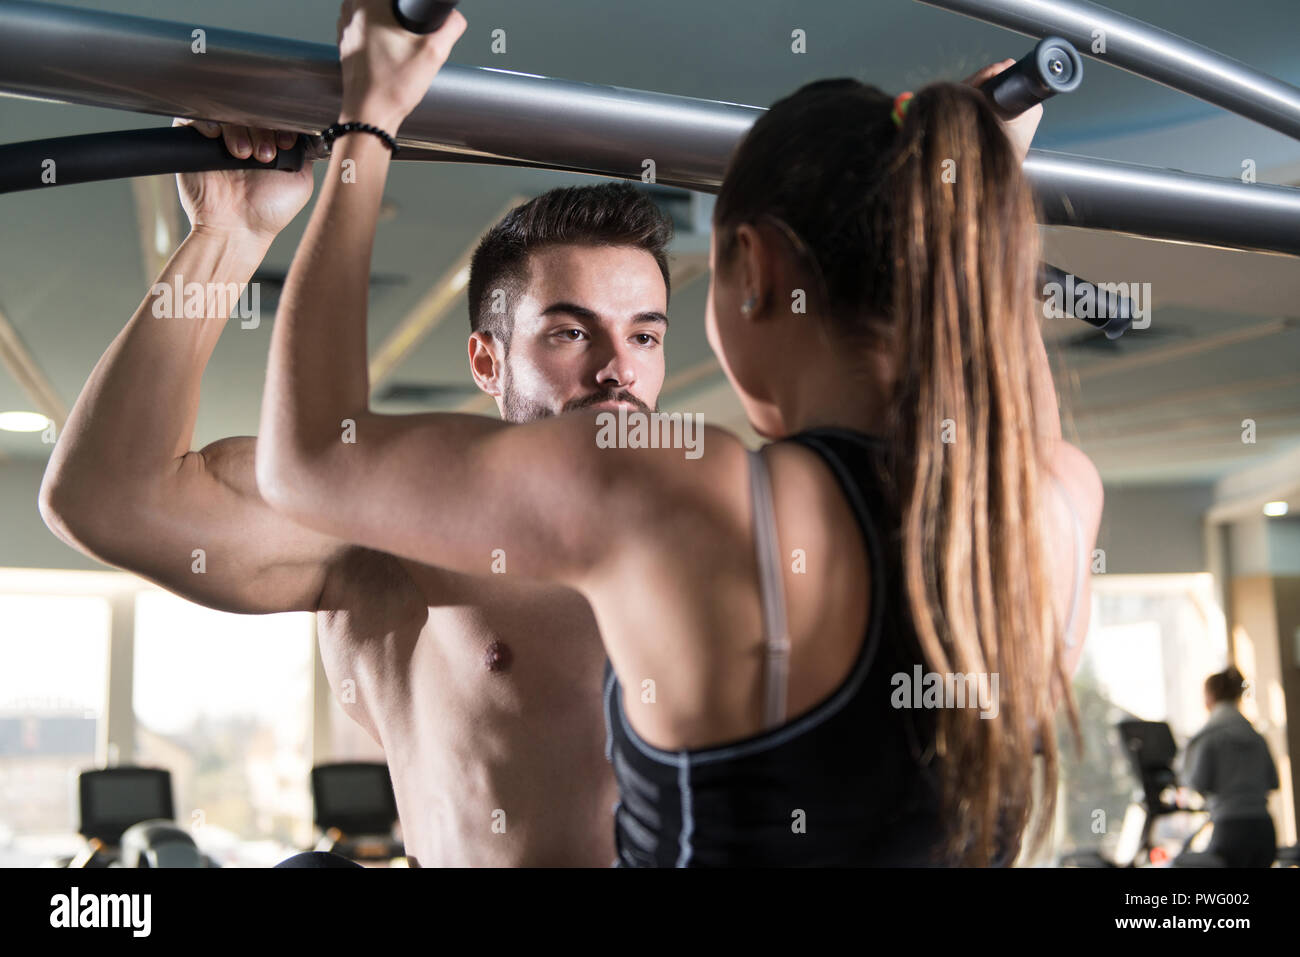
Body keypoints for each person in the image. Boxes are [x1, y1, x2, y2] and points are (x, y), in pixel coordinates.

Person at [255, 0, 1103, 866]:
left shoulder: (680, 485)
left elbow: (310, 456)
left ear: (754, 268)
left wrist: (370, 121)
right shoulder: (1055, 501)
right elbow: (988, 350)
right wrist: (969, 191)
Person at [38, 101, 676, 863]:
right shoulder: (397, 517)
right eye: (571, 332)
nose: (619, 366)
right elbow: (109, 497)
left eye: (644, 334)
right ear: (487, 361)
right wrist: (228, 236)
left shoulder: (715, 527)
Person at [1179, 666, 1280, 867]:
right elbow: (1273, 782)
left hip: (1231, 829)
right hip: (1264, 828)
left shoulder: (1208, 738)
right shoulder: (1256, 736)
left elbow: (1196, 782)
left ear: (1209, 697)